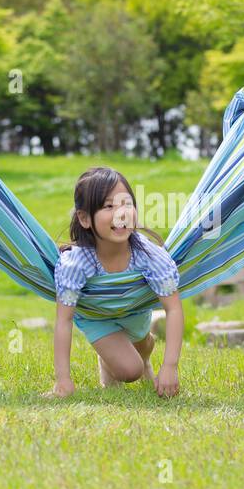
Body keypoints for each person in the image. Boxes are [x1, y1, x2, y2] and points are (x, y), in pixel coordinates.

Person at [43, 167, 184, 398]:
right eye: (109, 206)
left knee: (144, 349)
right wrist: (63, 380)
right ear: (85, 218)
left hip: (135, 312)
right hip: (98, 317)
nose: (121, 213)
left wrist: (170, 367)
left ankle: (140, 350)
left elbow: (174, 308)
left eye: (126, 204)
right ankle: (108, 356)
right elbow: (64, 320)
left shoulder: (149, 255)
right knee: (130, 370)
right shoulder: (76, 264)